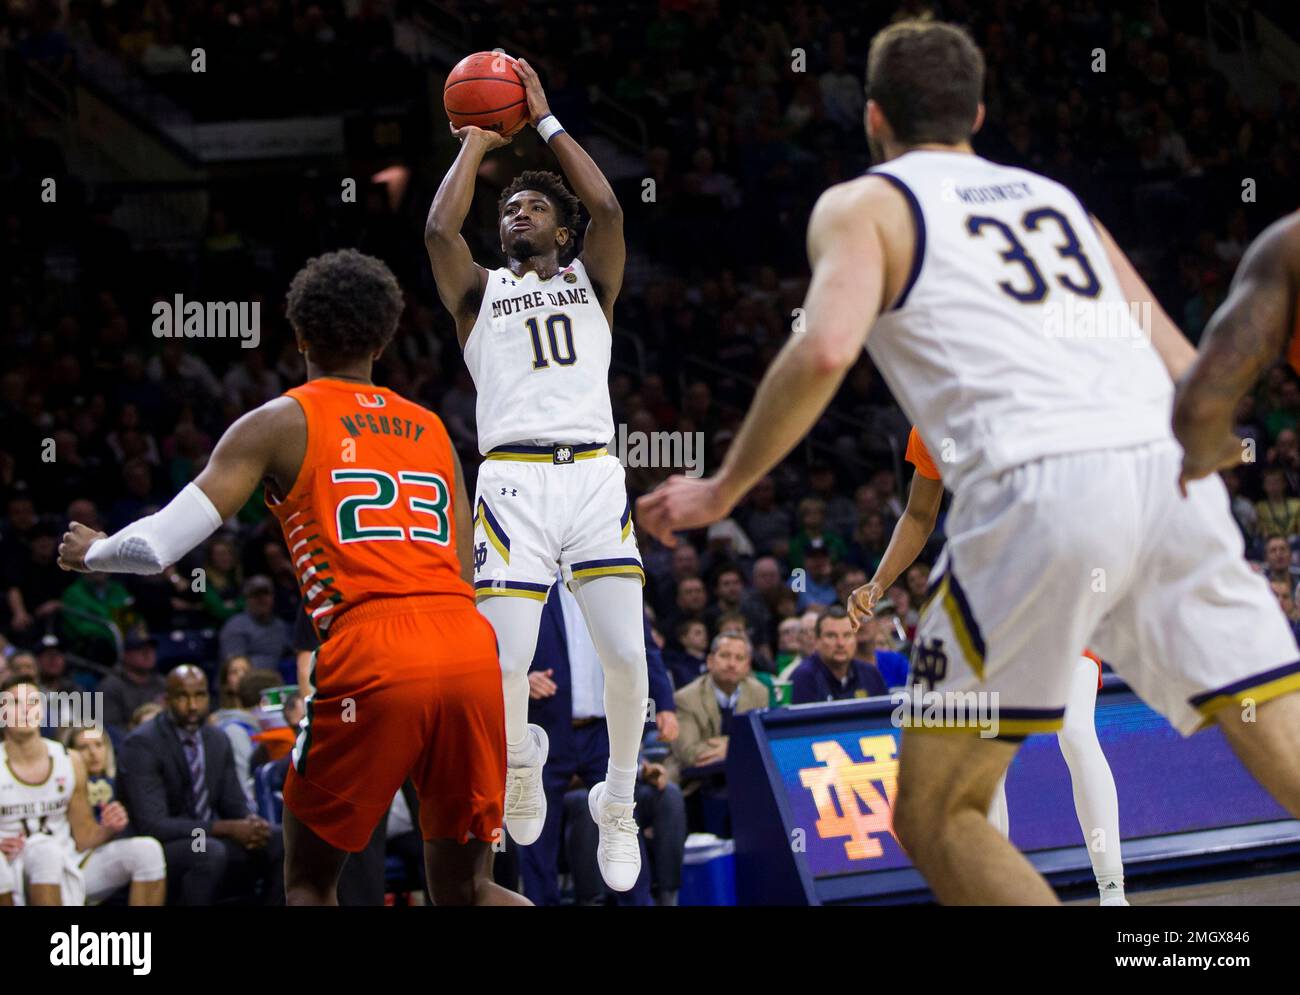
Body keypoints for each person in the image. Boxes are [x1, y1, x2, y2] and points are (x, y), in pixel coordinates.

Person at [639, 20, 1300, 905]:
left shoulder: (863, 202)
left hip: (1040, 489)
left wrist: (725, 487)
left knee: (940, 814)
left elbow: (827, 347)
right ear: (978, 112)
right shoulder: (1057, 198)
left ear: (873, 118)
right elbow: (1187, 365)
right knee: (1276, 729)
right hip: (1169, 470)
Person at [57, 249, 522, 907]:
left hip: (374, 645)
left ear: (299, 336)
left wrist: (95, 550)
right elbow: (466, 559)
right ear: (386, 338)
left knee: (308, 881)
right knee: (471, 888)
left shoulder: (278, 421)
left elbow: (159, 542)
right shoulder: (431, 426)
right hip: (467, 643)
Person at [426, 57, 647, 891]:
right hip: (512, 484)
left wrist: (546, 119)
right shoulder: (479, 294)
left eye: (533, 207)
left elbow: (610, 206)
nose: (515, 214)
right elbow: (438, 234)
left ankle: (616, 803)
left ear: (561, 231)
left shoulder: (595, 281)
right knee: (501, 662)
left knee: (626, 658)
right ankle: (522, 759)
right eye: (508, 207)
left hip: (592, 479)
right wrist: (477, 141)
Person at [849, 426, 1128, 904]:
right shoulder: (931, 421)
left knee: (1075, 729)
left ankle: (1112, 891)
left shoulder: (1031, 385)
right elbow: (918, 515)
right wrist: (878, 583)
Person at [116, 665, 281, 905]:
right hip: (163, 844)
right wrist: (227, 828)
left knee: (279, 840)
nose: (193, 705)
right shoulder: (142, 744)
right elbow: (154, 825)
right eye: (183, 696)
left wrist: (251, 824)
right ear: (167, 699)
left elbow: (233, 803)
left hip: (208, 834)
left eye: (200, 695)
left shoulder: (217, 739)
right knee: (207, 850)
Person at [0, 676, 165, 906]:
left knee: (148, 851)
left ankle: (136, 942)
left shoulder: (70, 760)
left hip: (68, 860)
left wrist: (108, 828)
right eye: (15, 703)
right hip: (12, 869)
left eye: (33, 702)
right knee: (44, 853)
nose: (25, 710)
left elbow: (83, 836)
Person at [787, 605, 888, 703]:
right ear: (817, 641)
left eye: (847, 635)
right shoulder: (803, 678)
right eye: (831, 636)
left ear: (855, 639)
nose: (841, 643)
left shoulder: (870, 674)